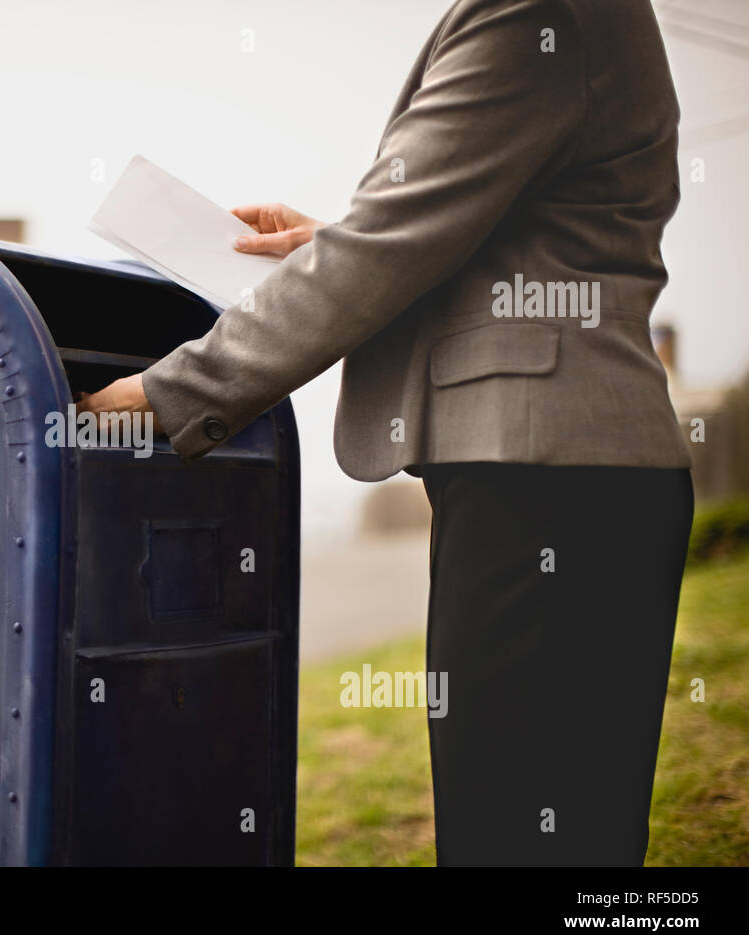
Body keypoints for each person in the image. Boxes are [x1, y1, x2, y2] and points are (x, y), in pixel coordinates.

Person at [76, 0, 694, 866]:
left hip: (547, 484)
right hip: (564, 478)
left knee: (519, 835)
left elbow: (392, 243)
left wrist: (162, 393)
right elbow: (484, 235)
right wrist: (336, 242)